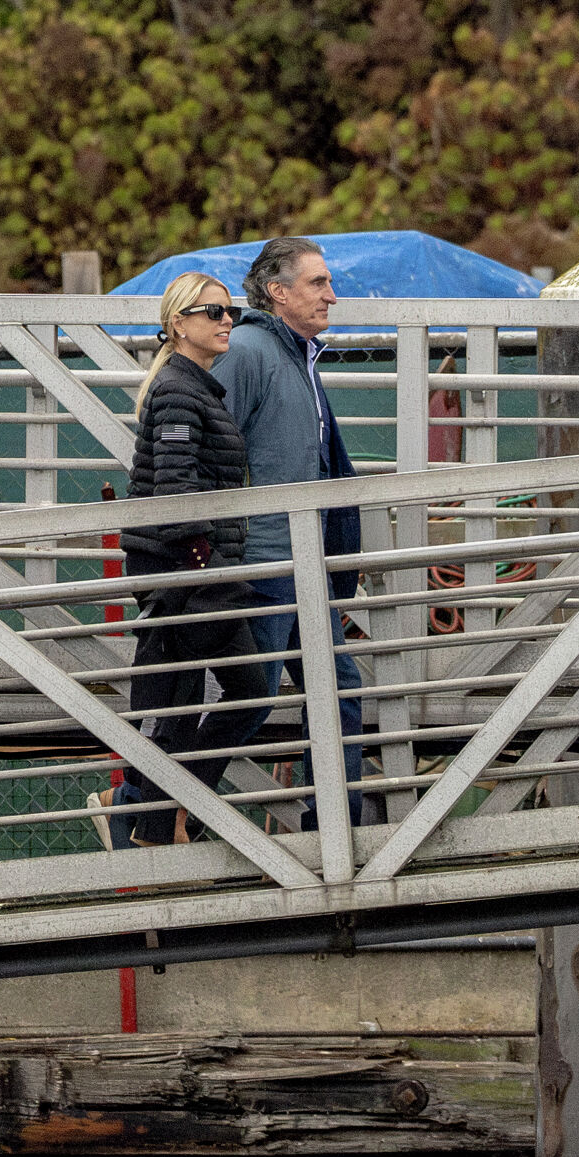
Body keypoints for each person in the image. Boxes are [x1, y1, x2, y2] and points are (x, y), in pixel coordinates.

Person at [214, 236, 369, 828]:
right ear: (278, 292)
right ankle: (144, 807)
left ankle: (333, 827)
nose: (332, 295)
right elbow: (213, 448)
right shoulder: (251, 351)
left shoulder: (295, 355)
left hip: (302, 562)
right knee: (251, 700)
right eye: (318, 283)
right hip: (265, 561)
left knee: (338, 688)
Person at [112, 272, 268, 847]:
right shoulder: (180, 390)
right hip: (185, 572)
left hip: (189, 570)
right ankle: (162, 820)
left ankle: (157, 821)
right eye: (213, 312)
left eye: (230, 312)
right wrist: (204, 566)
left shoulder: (191, 385)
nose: (227, 320)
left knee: (183, 703)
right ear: (179, 324)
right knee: (243, 690)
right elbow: (175, 485)